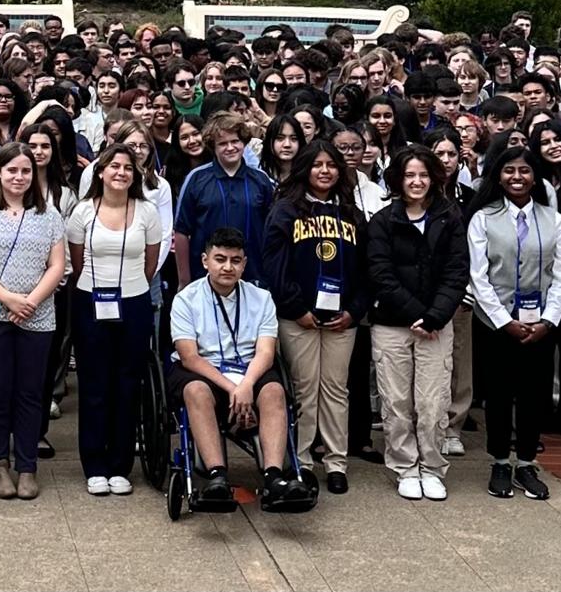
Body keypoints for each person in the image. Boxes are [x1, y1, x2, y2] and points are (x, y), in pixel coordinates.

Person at [169, 227, 313, 511]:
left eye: (235, 260)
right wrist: (234, 389)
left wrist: (247, 384)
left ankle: (274, 478)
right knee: (195, 390)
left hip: (249, 369)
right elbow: (189, 357)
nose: (227, 267)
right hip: (204, 371)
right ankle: (217, 477)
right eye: (220, 259)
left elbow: (266, 352)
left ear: (244, 264)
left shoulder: (261, 298)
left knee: (273, 391)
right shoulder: (186, 299)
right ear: (204, 261)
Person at [465, 143, 561, 501]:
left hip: (539, 324)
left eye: (524, 171)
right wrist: (503, 320)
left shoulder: (553, 219)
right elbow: (478, 276)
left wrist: (548, 320)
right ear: (498, 175)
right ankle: (499, 461)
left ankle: (526, 462)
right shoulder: (483, 218)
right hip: (495, 322)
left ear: (535, 177)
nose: (517, 177)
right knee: (498, 393)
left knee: (534, 392)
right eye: (509, 170)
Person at [0, 143, 66, 501]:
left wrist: (31, 301)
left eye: (25, 171)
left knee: (30, 392)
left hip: (38, 314)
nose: (19, 177)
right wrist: (8, 299)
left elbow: (57, 266)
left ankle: (27, 465)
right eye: (12, 170)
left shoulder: (49, 215)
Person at [264, 138, 368, 496]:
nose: (325, 171)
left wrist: (354, 311)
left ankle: (336, 461)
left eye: (331, 165)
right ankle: (302, 460)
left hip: (342, 320)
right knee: (305, 390)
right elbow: (274, 267)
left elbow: (367, 270)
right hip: (300, 318)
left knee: (336, 390)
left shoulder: (352, 213)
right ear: (305, 168)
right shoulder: (285, 210)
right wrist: (297, 309)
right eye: (318, 164)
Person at [365, 146, 469, 502]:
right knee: (396, 402)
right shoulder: (382, 221)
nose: (417, 182)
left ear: (434, 178)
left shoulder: (450, 217)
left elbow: (457, 272)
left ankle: (432, 467)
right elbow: (380, 273)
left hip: (437, 326)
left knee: (432, 402)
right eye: (409, 175)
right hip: (393, 325)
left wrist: (435, 315)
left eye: (423, 175)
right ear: (397, 179)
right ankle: (404, 467)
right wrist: (415, 313)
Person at [66, 143, 161, 497]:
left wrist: (130, 286)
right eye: (114, 166)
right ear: (100, 172)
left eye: (127, 167)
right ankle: (94, 464)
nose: (121, 172)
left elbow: (151, 263)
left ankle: (121, 465)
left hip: (134, 302)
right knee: (94, 384)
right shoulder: (81, 212)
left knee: (127, 384)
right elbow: (77, 263)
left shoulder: (148, 212)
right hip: (91, 301)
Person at [171, 112, 274, 286]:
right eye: (223, 143)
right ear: (213, 146)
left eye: (235, 141)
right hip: (203, 277)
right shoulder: (196, 179)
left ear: (244, 143)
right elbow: (182, 232)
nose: (230, 147)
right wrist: (184, 281)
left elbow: (271, 232)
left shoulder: (261, 180)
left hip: (253, 276)